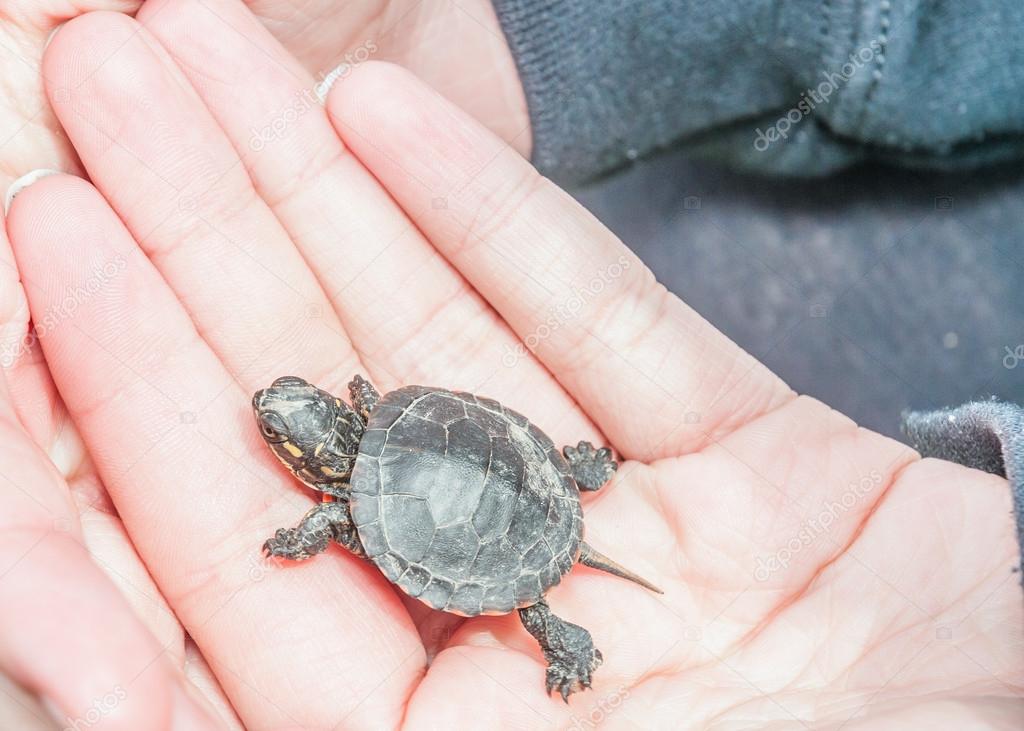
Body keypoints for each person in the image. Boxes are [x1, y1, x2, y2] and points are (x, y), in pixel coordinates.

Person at [0, 2, 1019, 729]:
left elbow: (338, 511)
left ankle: (561, 632)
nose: (286, 413)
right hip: (518, 460)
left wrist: (298, 533)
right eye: (289, 414)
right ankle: (575, 479)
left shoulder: (344, 489)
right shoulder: (382, 411)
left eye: (285, 420)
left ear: (310, 463)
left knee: (537, 598)